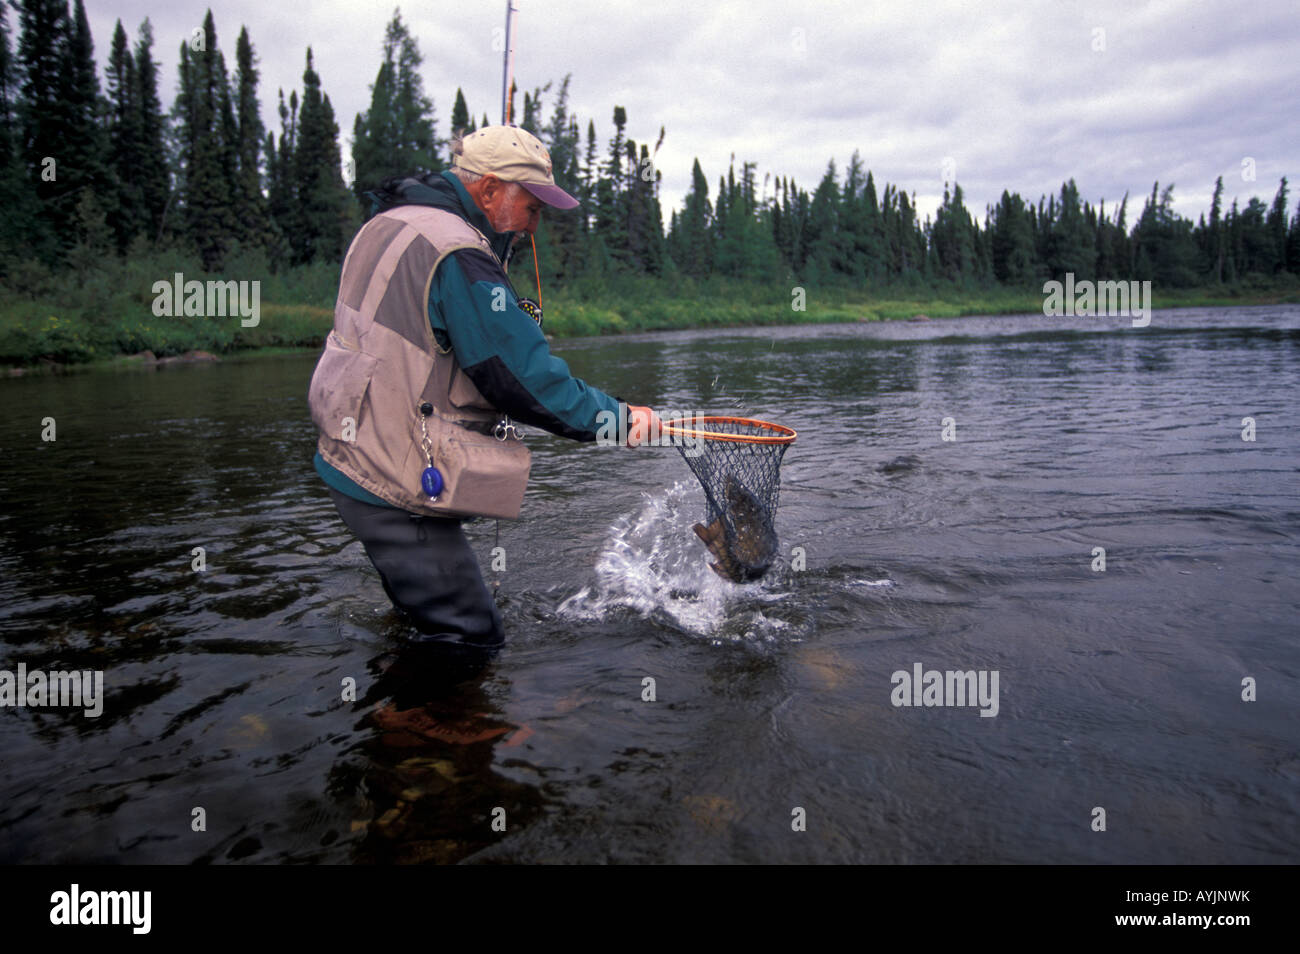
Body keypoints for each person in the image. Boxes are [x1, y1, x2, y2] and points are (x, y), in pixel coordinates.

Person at [308, 124, 660, 648]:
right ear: (490, 190)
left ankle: (402, 707)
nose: (534, 227)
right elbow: (521, 379)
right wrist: (620, 419)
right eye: (532, 208)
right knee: (471, 637)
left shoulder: (391, 222)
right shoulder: (460, 255)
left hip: (348, 456)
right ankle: (441, 725)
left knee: (423, 626)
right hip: (390, 481)